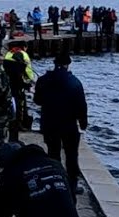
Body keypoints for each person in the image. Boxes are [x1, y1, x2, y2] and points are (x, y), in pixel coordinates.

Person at [33, 51, 89, 197]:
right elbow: (81, 106)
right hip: (68, 125)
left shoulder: (43, 80)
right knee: (71, 155)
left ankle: (54, 182)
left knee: (53, 153)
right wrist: (83, 123)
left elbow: (37, 100)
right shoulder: (75, 83)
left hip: (49, 123)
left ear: (54, 63)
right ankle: (72, 185)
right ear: (68, 64)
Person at [1, 46, 32, 141]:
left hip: (8, 84)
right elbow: (28, 70)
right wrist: (29, 81)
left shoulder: (8, 54)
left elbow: (3, 69)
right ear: (25, 48)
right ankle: (18, 124)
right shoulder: (24, 55)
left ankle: (10, 124)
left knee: (10, 104)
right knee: (19, 106)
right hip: (18, 85)